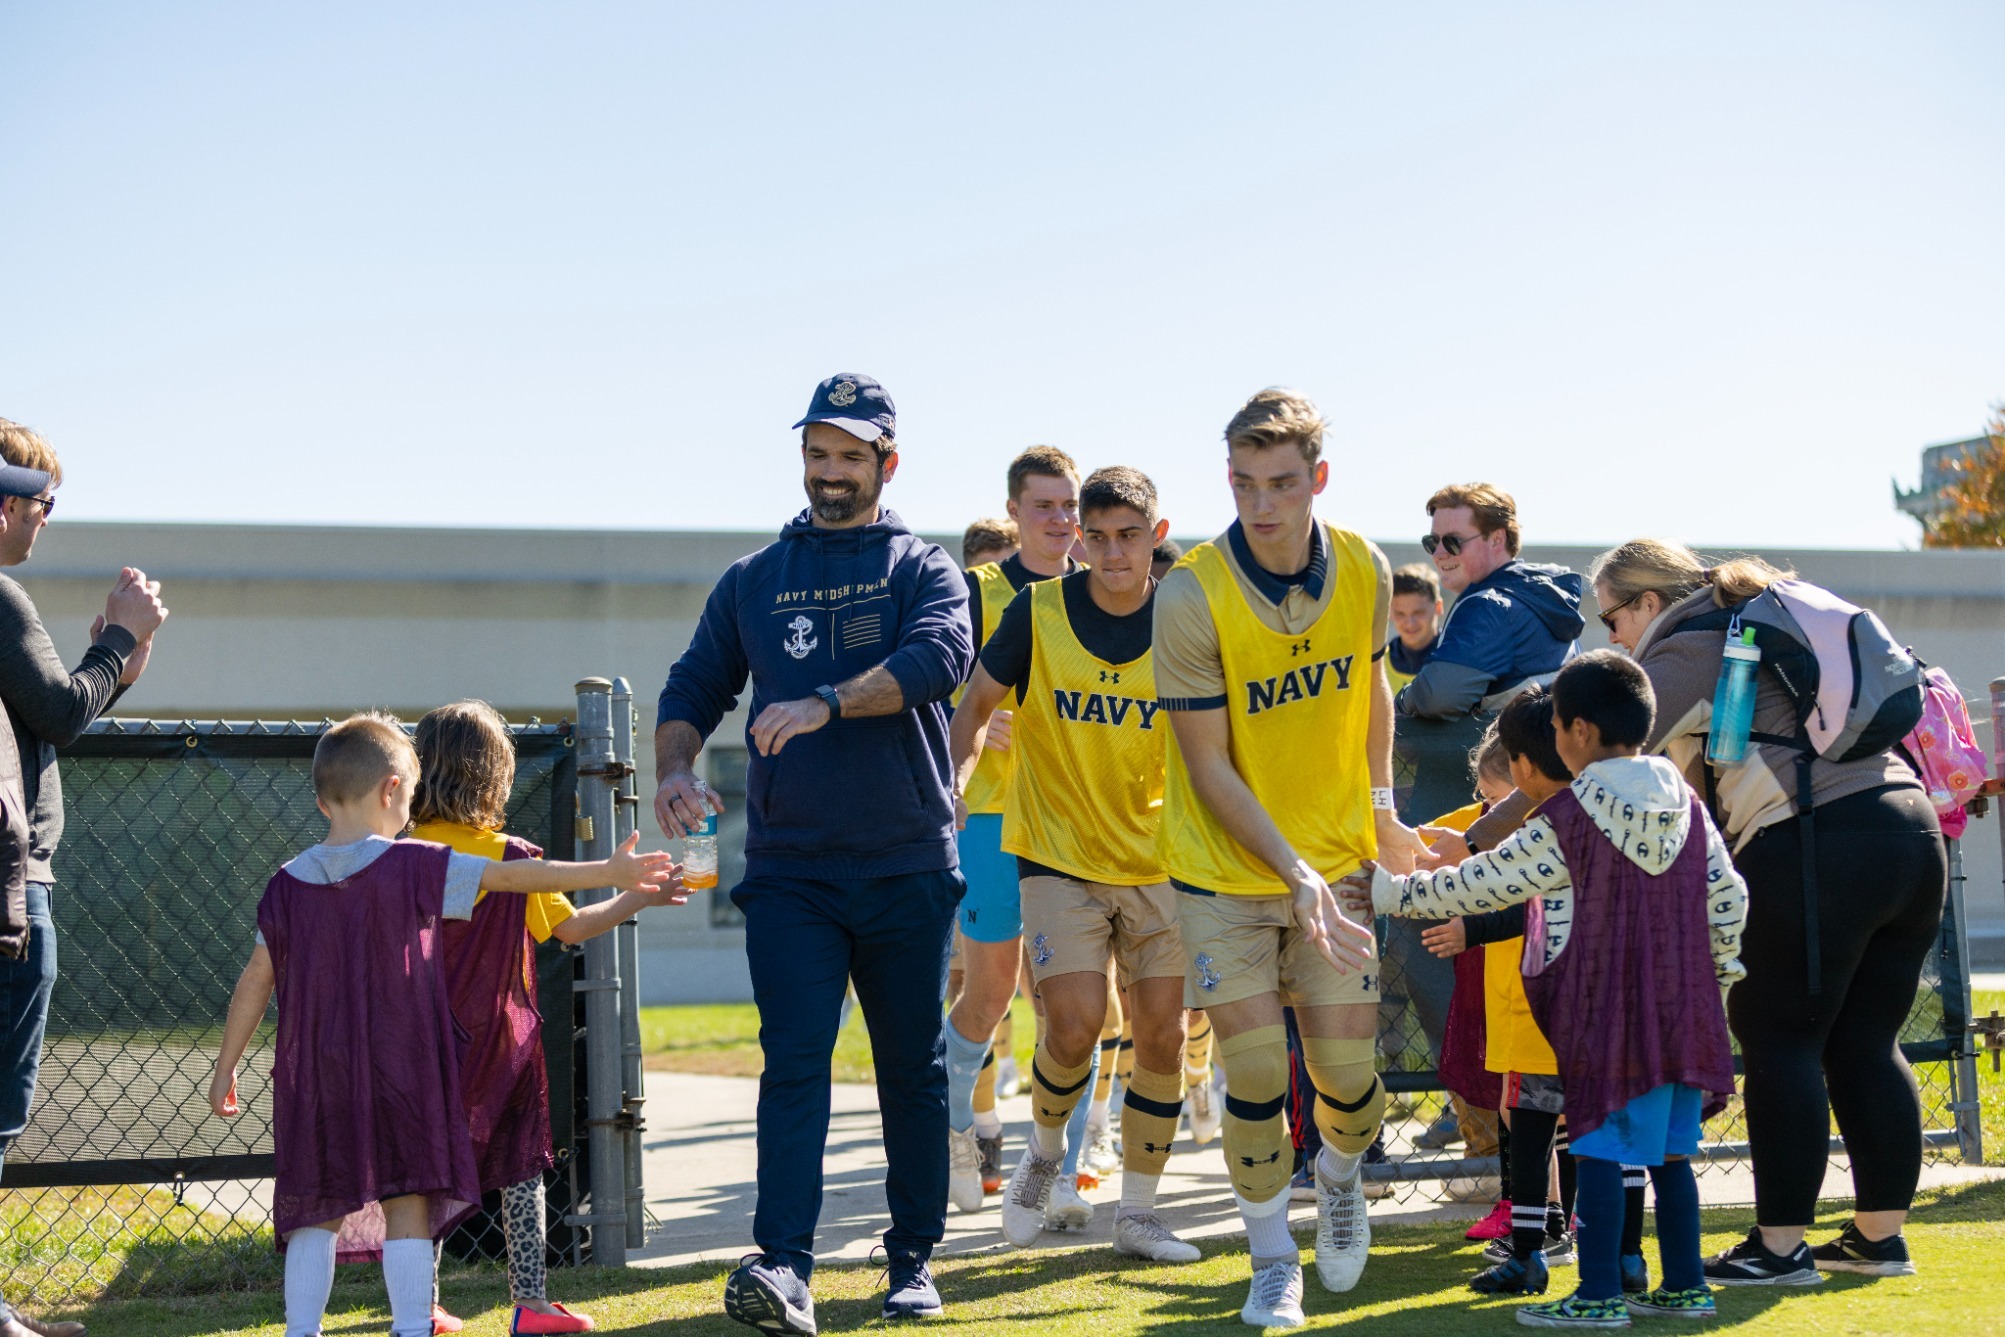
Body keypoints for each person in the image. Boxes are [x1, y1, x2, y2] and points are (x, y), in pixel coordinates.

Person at [653, 374, 973, 1332]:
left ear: (886, 463)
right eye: (816, 453)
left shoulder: (924, 566)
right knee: (793, 1061)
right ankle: (784, 1264)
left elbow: (940, 659)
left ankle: (912, 1259)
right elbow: (693, 684)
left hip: (907, 858)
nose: (830, 472)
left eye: (849, 456)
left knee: (911, 1067)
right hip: (792, 869)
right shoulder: (753, 578)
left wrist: (826, 701)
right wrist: (674, 768)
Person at [208, 714, 676, 1337]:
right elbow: (511, 876)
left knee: (316, 1207)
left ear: (322, 800)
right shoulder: (413, 865)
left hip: (320, 1075)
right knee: (408, 1197)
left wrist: (226, 1068)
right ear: (392, 790)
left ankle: (301, 1331)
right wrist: (608, 874)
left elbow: (255, 978)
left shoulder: (285, 883)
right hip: (402, 1069)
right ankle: (412, 1326)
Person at [1353, 651, 1746, 1327]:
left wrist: (1392, 891)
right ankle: (1685, 1286)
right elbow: (1729, 897)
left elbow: (1486, 881)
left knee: (1597, 1149)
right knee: (1671, 1155)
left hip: (1600, 1013)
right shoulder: (1685, 803)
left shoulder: (1570, 816)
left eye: (1558, 723)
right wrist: (1718, 974)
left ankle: (1597, 1297)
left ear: (1578, 731)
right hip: (1681, 1012)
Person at [1588, 540, 1945, 1283]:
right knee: (1865, 1041)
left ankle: (1779, 1247)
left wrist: (1487, 833)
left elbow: (1599, 756)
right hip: (1909, 828)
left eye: (1611, 620)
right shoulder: (1755, 622)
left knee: (1781, 1040)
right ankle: (1878, 1239)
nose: (1612, 640)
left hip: (1815, 837)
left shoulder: (1686, 646)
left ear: (1648, 602)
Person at [1152, 388, 1424, 1329]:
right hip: (1223, 871)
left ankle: (1339, 1178)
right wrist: (1292, 872)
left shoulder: (1364, 566)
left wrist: (1382, 814)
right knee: (1260, 1072)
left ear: (1318, 478)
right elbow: (1206, 764)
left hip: (1336, 862)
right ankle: (1272, 1261)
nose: (1260, 503)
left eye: (1279, 482)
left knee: (1346, 1080)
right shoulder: (1189, 592)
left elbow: (1372, 690)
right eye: (1243, 483)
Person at [949, 465, 1201, 1264]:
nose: (1112, 551)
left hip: (1160, 859)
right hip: (1056, 854)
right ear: (1080, 541)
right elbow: (973, 704)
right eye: (1097, 537)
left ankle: (1138, 1212)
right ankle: (1044, 1151)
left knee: (1161, 1036)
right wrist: (953, 782)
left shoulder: (1187, 617)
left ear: (1157, 536)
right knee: (1073, 1021)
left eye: (1129, 536)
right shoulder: (1037, 610)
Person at [410, 701, 690, 1335]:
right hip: (498, 1044)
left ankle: (420, 1305)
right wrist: (635, 897)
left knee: (426, 1175)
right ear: (494, 777)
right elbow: (572, 928)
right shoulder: (512, 857)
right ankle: (531, 1305)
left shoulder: (399, 854)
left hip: (419, 1044)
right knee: (520, 1171)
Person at [0, 420, 166, 1337]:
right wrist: (120, 640)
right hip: (11, 892)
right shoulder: (0, 597)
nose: (48, 519)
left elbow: (44, 716)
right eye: (44, 501)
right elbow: (61, 711)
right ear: (6, 503)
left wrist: (116, 667)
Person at [944, 446, 1082, 1214]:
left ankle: (1058, 1170)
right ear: (1014, 512)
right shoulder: (976, 592)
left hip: (1077, 820)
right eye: (1043, 505)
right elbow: (932, 689)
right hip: (993, 816)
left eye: (1068, 505)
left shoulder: (1098, 590)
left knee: (1073, 1004)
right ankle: (956, 1137)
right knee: (990, 990)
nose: (1059, 519)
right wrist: (970, 715)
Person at [1383, 563, 1443, 696]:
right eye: (1400, 614)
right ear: (1390, 612)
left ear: (1438, 607)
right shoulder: (1377, 664)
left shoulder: (1460, 660)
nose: (1410, 623)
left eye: (1418, 613)